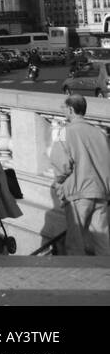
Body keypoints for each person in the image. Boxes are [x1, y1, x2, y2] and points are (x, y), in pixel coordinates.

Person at [49, 94, 110, 256]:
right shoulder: (100, 134)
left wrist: (59, 184)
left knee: (75, 244)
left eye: (63, 108)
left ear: (70, 109)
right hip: (101, 193)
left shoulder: (64, 132)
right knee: (103, 242)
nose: (63, 112)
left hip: (78, 194)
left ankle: (78, 278)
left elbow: (61, 165)